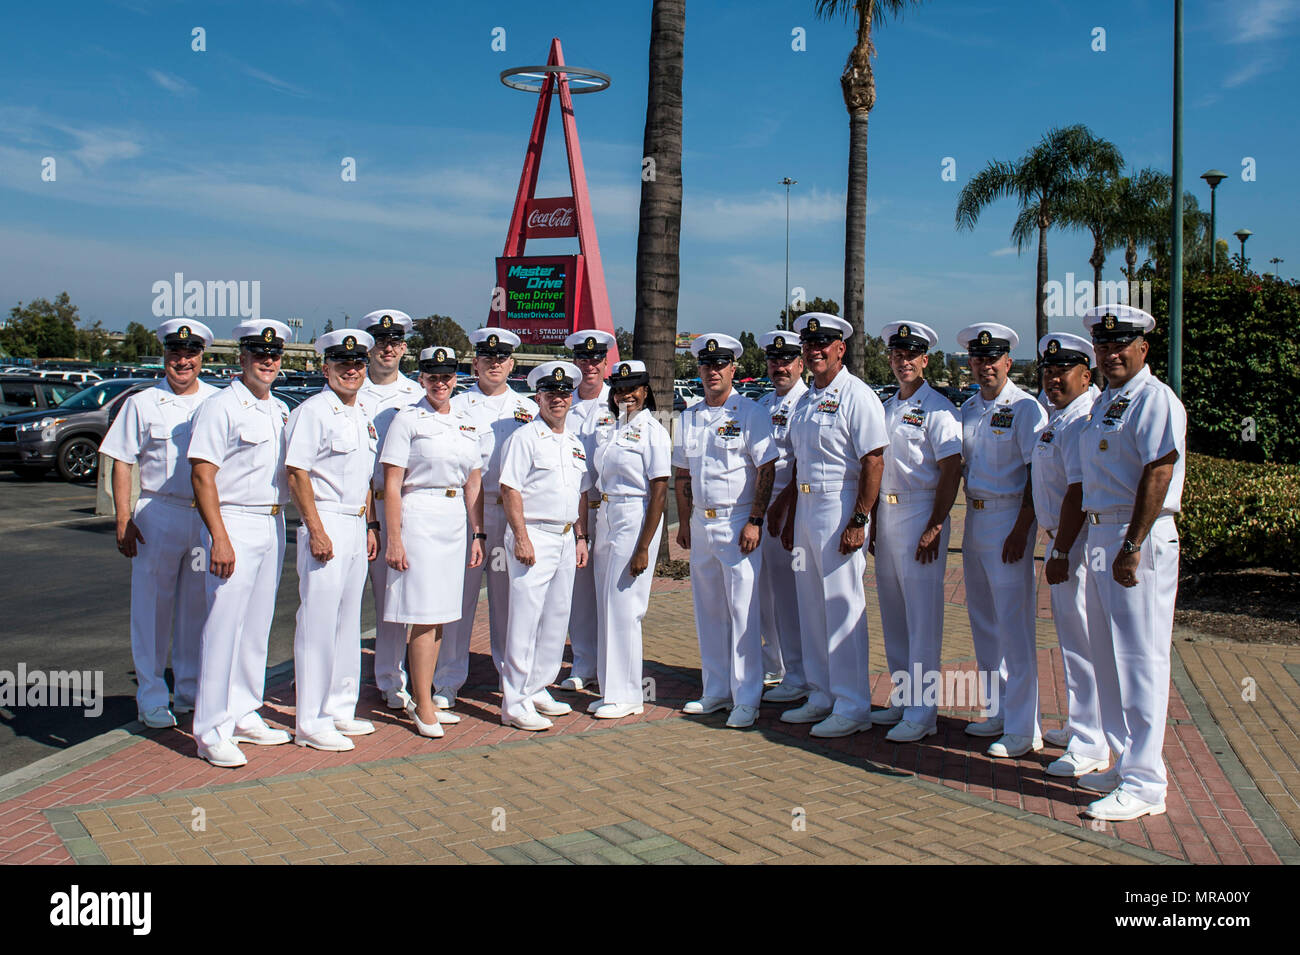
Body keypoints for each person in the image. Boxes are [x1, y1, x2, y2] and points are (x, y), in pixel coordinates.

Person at [1073, 304, 1186, 821]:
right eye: (1103, 345)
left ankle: (1146, 783)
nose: (1111, 353)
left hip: (1135, 535)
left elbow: (1159, 471)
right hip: (1103, 530)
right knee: (1108, 656)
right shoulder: (1107, 401)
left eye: (1121, 345)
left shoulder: (1154, 399)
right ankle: (1124, 761)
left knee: (1141, 659)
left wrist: (1134, 544)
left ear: (1143, 348)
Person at [101, 319, 219, 729]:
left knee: (196, 610)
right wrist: (123, 516)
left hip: (204, 517)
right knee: (152, 609)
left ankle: (187, 691)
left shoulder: (217, 401)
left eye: (190, 354)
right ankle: (151, 696)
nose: (182, 361)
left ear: (202, 357)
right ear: (165, 356)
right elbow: (121, 459)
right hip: (159, 512)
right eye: (175, 354)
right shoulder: (142, 402)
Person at [188, 320, 295, 768]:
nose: (266, 361)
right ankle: (210, 728)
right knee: (223, 625)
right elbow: (202, 473)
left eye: (273, 355)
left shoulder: (280, 409)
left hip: (272, 523)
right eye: (258, 354)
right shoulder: (220, 406)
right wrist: (218, 537)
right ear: (242, 358)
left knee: (256, 625)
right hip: (232, 520)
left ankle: (244, 710)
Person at [774, 313, 886, 738]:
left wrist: (860, 518)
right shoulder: (805, 400)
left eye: (824, 344)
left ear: (841, 348)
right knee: (811, 605)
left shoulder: (857, 395)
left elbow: (873, 458)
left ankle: (853, 703)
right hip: (806, 505)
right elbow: (799, 458)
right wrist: (790, 515)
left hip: (839, 504)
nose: (815, 350)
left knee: (841, 605)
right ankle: (820, 693)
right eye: (809, 344)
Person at [672, 333, 777, 729]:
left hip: (737, 523)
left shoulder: (750, 413)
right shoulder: (689, 416)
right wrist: (684, 520)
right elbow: (683, 472)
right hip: (702, 521)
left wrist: (755, 520)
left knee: (743, 612)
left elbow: (766, 468)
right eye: (706, 365)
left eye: (720, 365)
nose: (712, 372)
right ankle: (715, 689)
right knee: (709, 611)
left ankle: (747, 696)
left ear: (733, 369)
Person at [380, 346, 484, 738]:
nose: (441, 383)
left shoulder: (465, 421)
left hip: (454, 520)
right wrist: (394, 539)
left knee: (440, 615)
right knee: (423, 615)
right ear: (421, 378)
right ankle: (422, 704)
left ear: (456, 377)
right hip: (419, 516)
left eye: (447, 375)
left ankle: (425, 694)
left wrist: (477, 533)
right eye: (432, 376)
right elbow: (392, 483)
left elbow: (473, 481)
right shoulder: (407, 419)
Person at [433, 327, 539, 709]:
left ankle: (513, 681)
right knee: (457, 599)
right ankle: (446, 680)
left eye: (502, 358)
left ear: (511, 364)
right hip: (465, 516)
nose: (495, 364)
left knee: (509, 601)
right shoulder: (456, 406)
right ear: (475, 362)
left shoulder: (528, 408)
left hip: (510, 515)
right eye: (487, 358)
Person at [956, 322, 1048, 758]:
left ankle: (1024, 726)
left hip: (1010, 517)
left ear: (1008, 362)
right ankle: (998, 709)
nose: (985, 366)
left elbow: (1036, 471)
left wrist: (1022, 528)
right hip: (975, 520)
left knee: (1015, 626)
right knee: (984, 621)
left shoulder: (1026, 408)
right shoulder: (970, 407)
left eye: (993, 359)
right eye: (978, 359)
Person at [285, 329, 380, 752]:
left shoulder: (361, 414)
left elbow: (364, 479)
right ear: (325, 368)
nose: (352, 372)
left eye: (357, 365)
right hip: (325, 521)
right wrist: (316, 528)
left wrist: (368, 526)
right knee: (317, 623)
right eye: (343, 366)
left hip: (355, 524)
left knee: (347, 622)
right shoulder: (314, 411)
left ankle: (340, 706)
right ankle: (310, 721)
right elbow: (297, 472)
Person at [871, 321, 962, 742]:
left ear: (925, 360)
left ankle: (923, 713)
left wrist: (937, 523)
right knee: (894, 615)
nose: (903, 361)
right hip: (888, 516)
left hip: (921, 513)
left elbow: (951, 468)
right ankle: (904, 699)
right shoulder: (888, 406)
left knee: (922, 618)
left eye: (912, 355)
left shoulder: (940, 409)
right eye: (897, 354)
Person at [496, 361, 592, 731]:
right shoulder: (525, 438)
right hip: (533, 534)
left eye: (564, 393)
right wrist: (520, 536)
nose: (558, 400)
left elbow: (580, 494)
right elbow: (510, 489)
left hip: (566, 536)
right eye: (551, 394)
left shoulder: (573, 442)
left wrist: (580, 536)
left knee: (555, 617)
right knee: (525, 620)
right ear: (538, 397)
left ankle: (537, 686)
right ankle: (514, 701)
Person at [1034, 332, 1109, 779]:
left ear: (1086, 375)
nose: (1053, 379)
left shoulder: (1082, 419)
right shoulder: (1062, 416)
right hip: (1062, 539)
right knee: (1073, 640)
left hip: (1075, 543)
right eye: (1048, 371)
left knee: (1084, 643)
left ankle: (1092, 741)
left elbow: (1078, 490)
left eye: (1062, 372)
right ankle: (1083, 724)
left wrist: (1061, 548)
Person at [587, 360, 670, 719]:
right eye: (619, 389)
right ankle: (610, 691)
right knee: (606, 608)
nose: (626, 395)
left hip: (634, 518)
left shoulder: (653, 431)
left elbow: (660, 491)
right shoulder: (611, 429)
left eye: (633, 388)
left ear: (645, 390)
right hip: (606, 515)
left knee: (625, 609)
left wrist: (643, 547)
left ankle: (629, 695)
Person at [357, 309, 423, 711]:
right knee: (358, 603)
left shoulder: (416, 394)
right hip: (364, 506)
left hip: (403, 508)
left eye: (396, 342)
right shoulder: (351, 390)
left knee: (400, 599)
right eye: (382, 343)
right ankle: (377, 677)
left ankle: (397, 678)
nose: (388, 349)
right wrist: (369, 520)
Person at [755, 330, 809, 704]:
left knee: (790, 598)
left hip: (791, 510)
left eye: (787, 360)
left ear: (800, 363)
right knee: (764, 596)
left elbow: (804, 465)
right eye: (774, 361)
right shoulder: (761, 403)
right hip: (761, 511)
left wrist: (782, 508)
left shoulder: (806, 403)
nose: (780, 367)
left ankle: (798, 673)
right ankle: (772, 664)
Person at [560, 329, 616, 692]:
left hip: (611, 511)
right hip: (574, 511)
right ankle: (582, 662)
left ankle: (611, 668)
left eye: (596, 359)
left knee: (610, 593)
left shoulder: (620, 402)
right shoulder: (561, 402)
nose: (590, 365)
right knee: (578, 592)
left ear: (606, 361)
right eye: (583, 359)